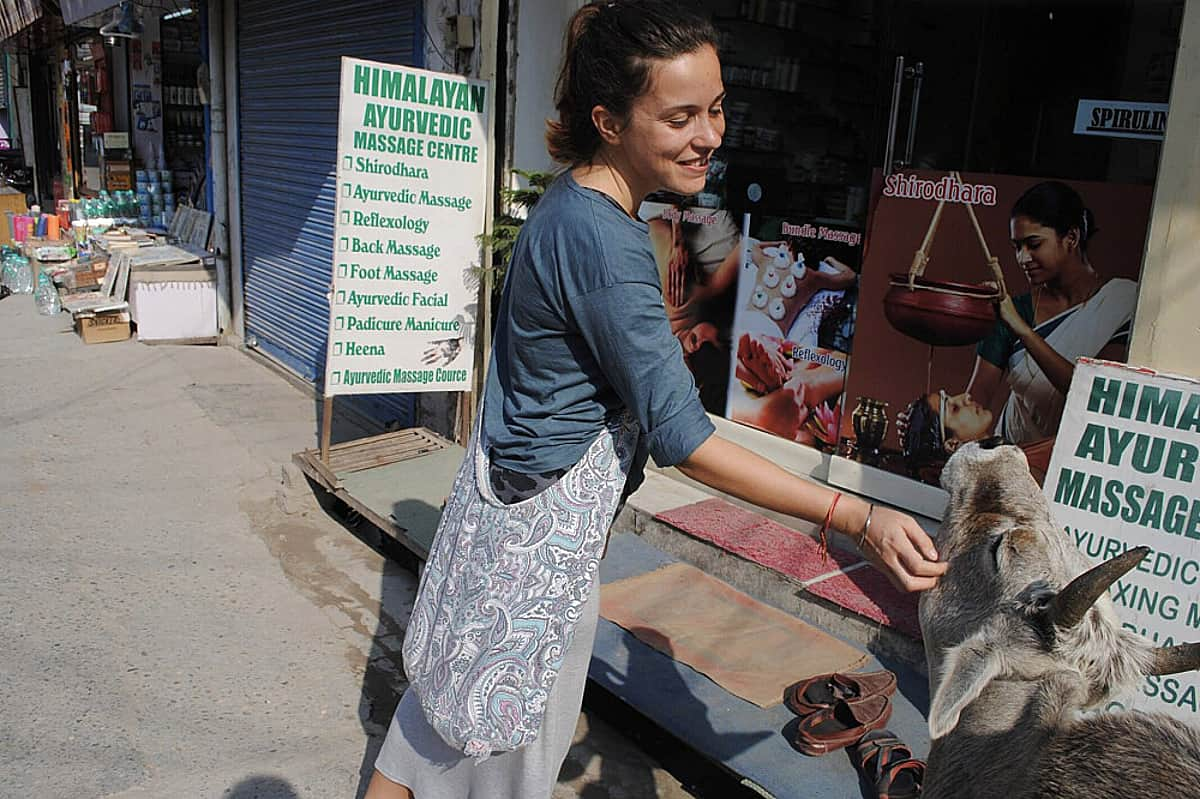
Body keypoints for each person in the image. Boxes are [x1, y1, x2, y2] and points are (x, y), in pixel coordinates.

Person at [364, 3, 946, 797]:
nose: (708, 134)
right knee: (494, 756)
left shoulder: (571, 204)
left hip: (503, 516)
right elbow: (687, 439)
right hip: (538, 559)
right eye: (679, 116)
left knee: (432, 729)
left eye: (715, 109)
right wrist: (856, 515)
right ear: (608, 120)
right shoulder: (608, 241)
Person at [899, 180, 1137, 452]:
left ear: (1071, 238)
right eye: (1017, 247)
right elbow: (976, 401)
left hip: (1068, 463)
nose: (1023, 258)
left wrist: (1022, 329)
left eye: (1034, 244)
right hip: (1008, 458)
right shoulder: (1014, 309)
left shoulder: (1121, 303)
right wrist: (927, 423)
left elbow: (1097, 396)